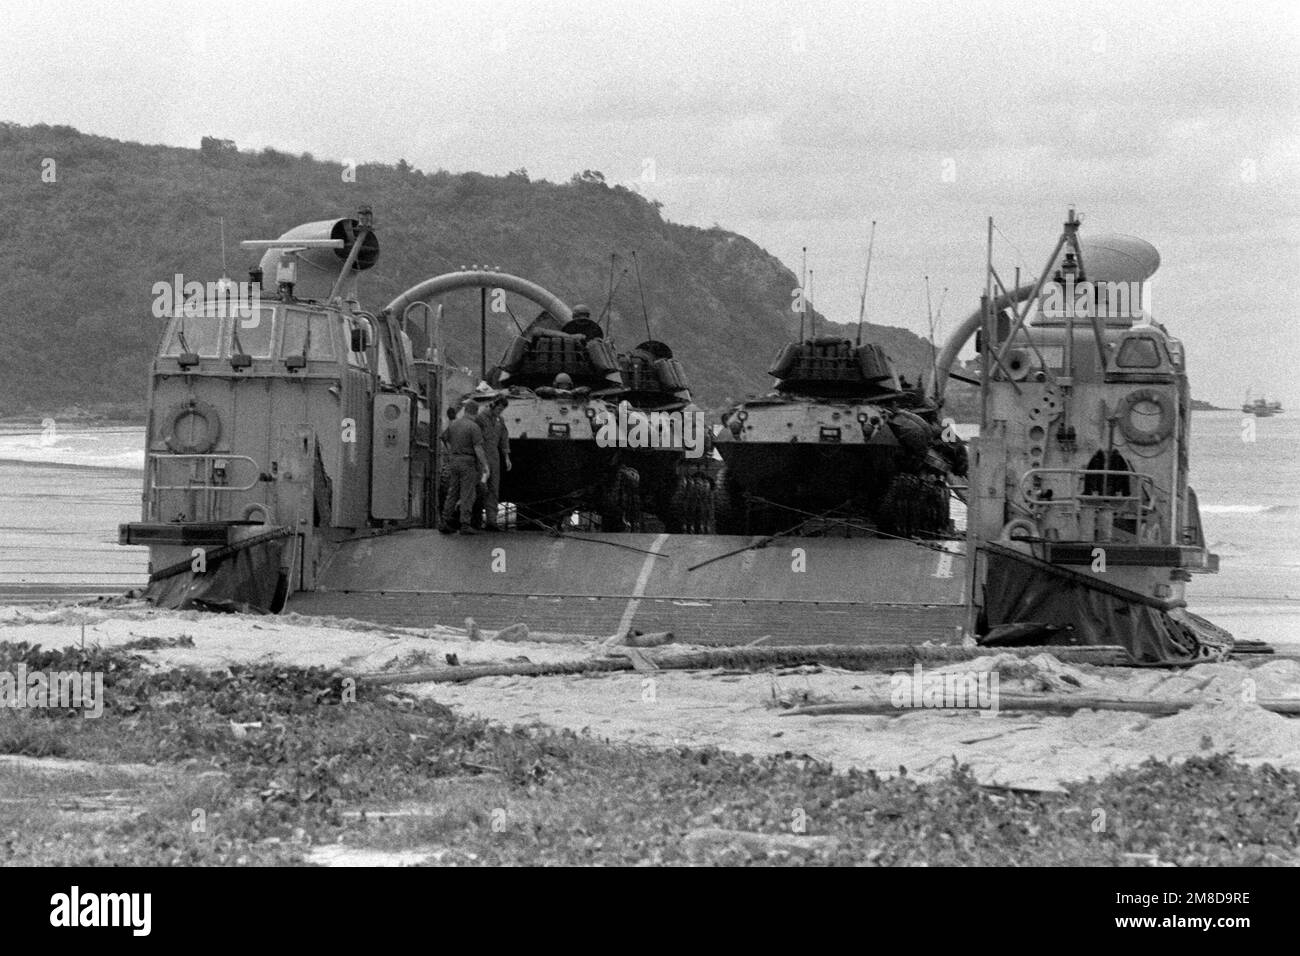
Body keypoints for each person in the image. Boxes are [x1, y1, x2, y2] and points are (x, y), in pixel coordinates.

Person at [439, 400, 489, 534]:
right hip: (467, 462)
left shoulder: (454, 424)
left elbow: (443, 437)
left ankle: (445, 521)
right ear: (475, 412)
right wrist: (484, 465)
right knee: (467, 493)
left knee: (452, 492)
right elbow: (478, 448)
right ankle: (465, 524)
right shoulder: (474, 427)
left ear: (465, 410)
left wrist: (451, 451)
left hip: (454, 461)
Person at [474, 395, 512, 531]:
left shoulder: (499, 420)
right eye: (499, 408)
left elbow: (504, 438)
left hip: (494, 457)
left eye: (502, 409)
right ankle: (475, 520)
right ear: (493, 405)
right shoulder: (481, 418)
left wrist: (506, 457)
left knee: (493, 489)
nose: (500, 411)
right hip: (482, 456)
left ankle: (491, 521)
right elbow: (474, 437)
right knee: (480, 488)